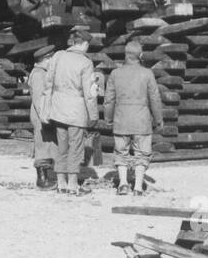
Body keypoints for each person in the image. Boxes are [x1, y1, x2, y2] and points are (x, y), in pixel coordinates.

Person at [41, 27, 99, 194]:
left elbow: (48, 84)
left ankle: (61, 183)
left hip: (59, 108)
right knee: (76, 147)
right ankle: (73, 184)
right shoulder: (86, 63)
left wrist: (47, 107)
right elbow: (89, 93)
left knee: (62, 146)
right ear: (85, 44)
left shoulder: (58, 56)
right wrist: (93, 115)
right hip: (76, 110)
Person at [104, 40, 163, 195]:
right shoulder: (147, 73)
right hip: (141, 121)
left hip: (121, 120)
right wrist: (158, 120)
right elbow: (155, 99)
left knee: (120, 152)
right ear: (140, 56)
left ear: (126, 55)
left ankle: (123, 184)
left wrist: (108, 118)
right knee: (142, 154)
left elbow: (109, 99)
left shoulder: (115, 74)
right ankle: (137, 187)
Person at [28, 45, 58, 190]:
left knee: (47, 145)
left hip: (44, 114)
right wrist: (45, 117)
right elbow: (39, 99)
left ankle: (47, 177)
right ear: (46, 59)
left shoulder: (41, 72)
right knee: (42, 146)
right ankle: (42, 181)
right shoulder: (39, 74)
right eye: (51, 58)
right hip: (42, 115)